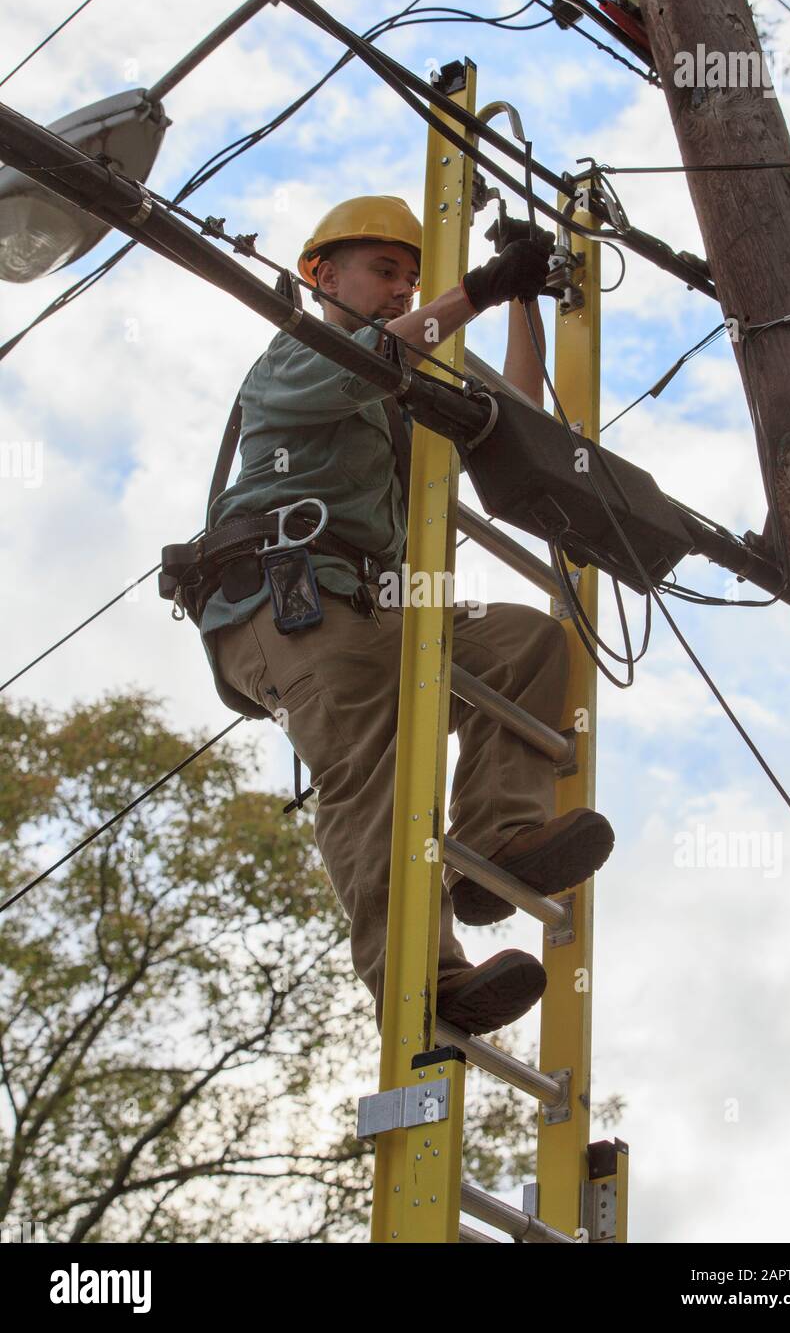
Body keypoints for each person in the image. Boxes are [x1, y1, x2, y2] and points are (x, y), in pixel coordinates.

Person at [200, 195, 615, 1035]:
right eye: (384, 271)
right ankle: (424, 981)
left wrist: (522, 293)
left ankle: (496, 842)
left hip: (385, 604)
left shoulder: (405, 390)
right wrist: (476, 289)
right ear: (321, 275)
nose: (400, 290)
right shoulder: (291, 359)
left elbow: (514, 411)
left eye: (411, 278)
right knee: (373, 773)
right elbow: (374, 359)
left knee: (527, 644)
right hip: (288, 598)